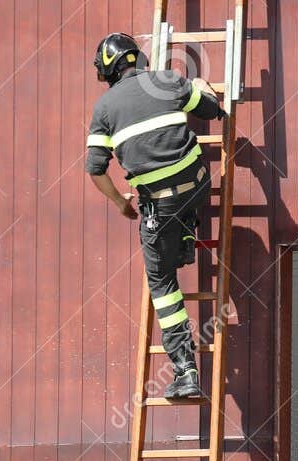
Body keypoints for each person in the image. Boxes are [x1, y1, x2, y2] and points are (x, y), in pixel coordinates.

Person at [85, 31, 225, 399]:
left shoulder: (104, 110)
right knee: (175, 212)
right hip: (198, 186)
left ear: (107, 71)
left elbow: (95, 169)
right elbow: (212, 110)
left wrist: (120, 203)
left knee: (161, 283)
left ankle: (185, 369)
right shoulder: (167, 80)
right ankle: (182, 242)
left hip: (159, 203)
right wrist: (201, 85)